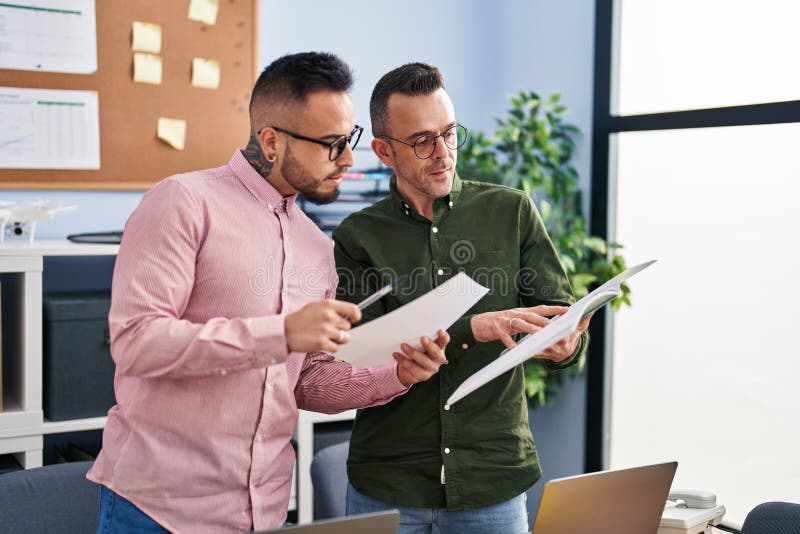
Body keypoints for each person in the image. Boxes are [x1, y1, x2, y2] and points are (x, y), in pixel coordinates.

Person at [87, 53, 449, 533]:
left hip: (265, 512)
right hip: (157, 512)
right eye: (331, 144)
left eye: (351, 139)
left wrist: (395, 375)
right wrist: (279, 333)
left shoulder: (317, 246)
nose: (347, 160)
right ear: (272, 141)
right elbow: (137, 343)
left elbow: (304, 383)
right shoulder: (182, 203)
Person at [333, 62, 592, 534]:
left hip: (492, 478)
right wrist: (472, 328)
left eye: (450, 134)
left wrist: (565, 345)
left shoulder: (510, 211)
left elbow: (560, 317)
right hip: (390, 481)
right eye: (422, 141)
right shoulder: (357, 236)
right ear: (384, 151)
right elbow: (357, 352)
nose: (442, 153)